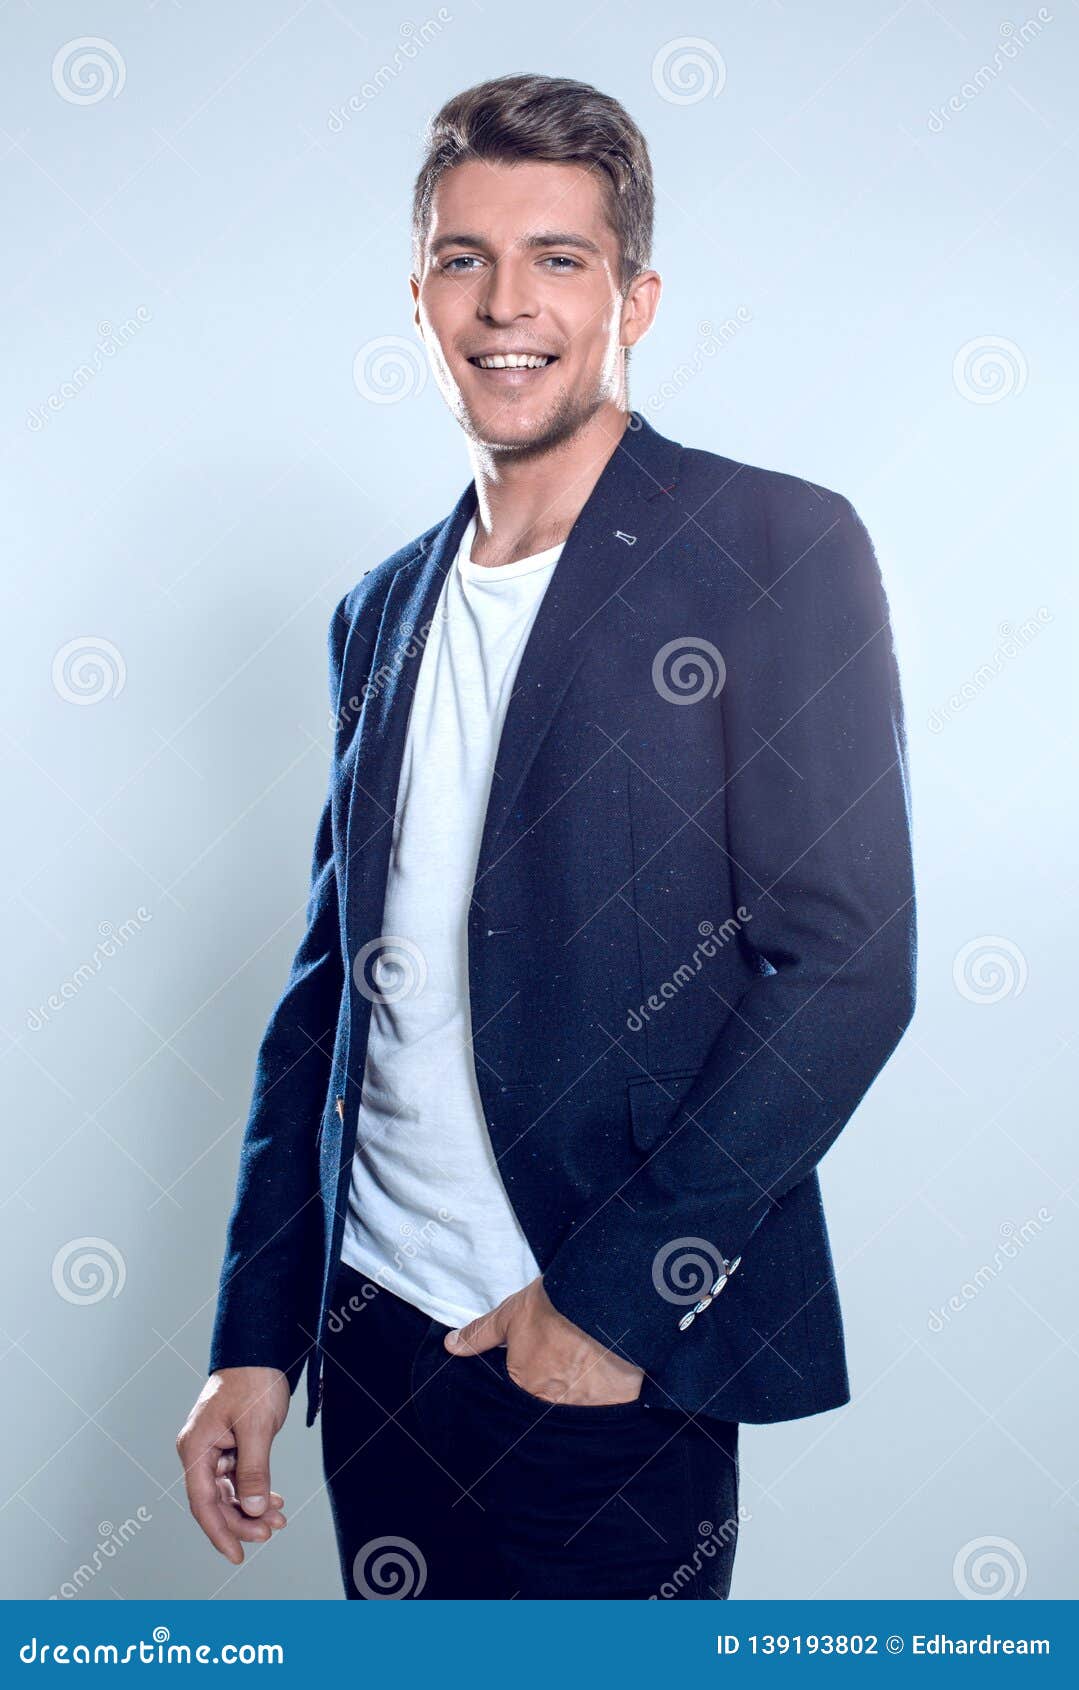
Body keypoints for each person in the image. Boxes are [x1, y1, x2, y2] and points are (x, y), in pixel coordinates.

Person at [176, 72, 917, 1601]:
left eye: (558, 258)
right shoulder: (380, 609)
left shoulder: (772, 548)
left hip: (597, 1360)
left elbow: (846, 960)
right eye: (466, 259)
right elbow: (327, 995)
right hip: (375, 1346)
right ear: (419, 296)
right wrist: (257, 1334)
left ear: (634, 297)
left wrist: (613, 1307)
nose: (507, 302)